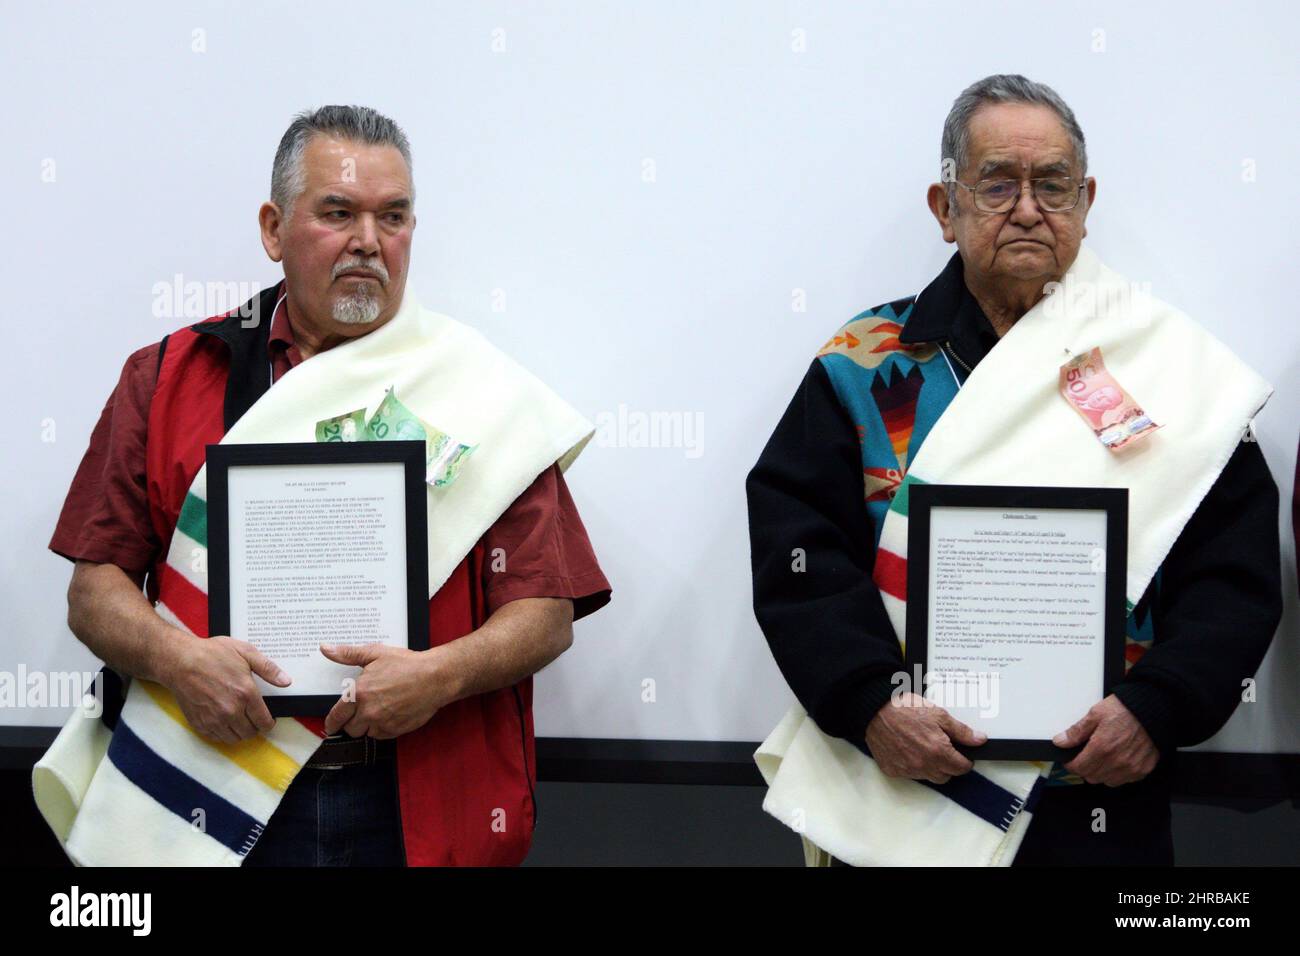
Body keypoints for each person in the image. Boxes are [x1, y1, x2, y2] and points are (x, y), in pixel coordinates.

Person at [40, 105, 611, 866]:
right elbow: (94, 588)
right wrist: (178, 662)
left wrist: (438, 676)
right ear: (274, 229)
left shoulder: (477, 392)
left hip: (413, 799)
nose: (370, 242)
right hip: (212, 787)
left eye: (394, 216)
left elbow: (545, 611)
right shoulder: (171, 376)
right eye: (338, 213)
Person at [747, 75, 1282, 866]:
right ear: (945, 207)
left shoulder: (1168, 372)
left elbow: (1232, 577)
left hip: (1100, 797)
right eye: (998, 183)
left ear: (1086, 200)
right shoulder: (862, 366)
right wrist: (871, 704)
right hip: (903, 780)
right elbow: (802, 558)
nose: (1028, 208)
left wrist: (1159, 708)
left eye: (1053, 185)